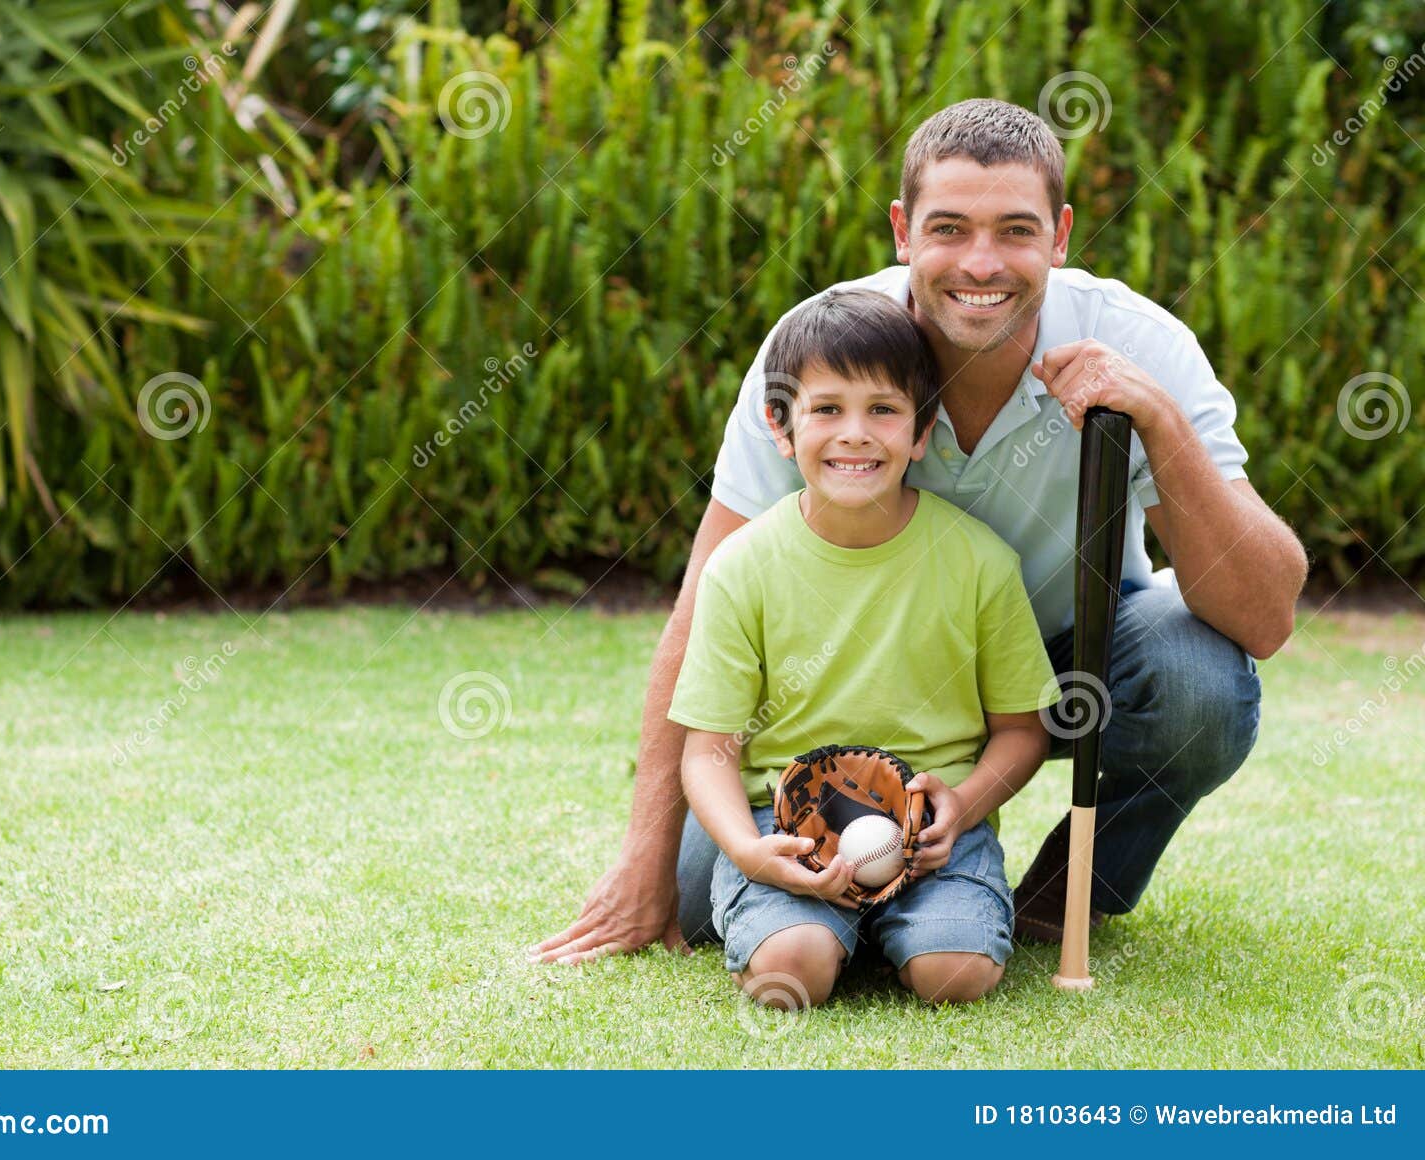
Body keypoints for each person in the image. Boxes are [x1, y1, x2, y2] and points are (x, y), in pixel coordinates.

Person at [529, 98, 1305, 966]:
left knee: (1199, 679)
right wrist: (642, 863)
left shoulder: (1138, 343)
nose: (982, 262)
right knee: (694, 900)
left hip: (1061, 671)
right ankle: (889, 903)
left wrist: (1157, 418)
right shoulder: (819, 350)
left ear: (1060, 235)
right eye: (949, 228)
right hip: (838, 705)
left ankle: (1068, 891)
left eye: (1016, 230)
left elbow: (1265, 617)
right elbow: (702, 604)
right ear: (903, 231)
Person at [670, 288, 1059, 1007]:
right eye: (826, 409)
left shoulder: (979, 562)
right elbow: (706, 751)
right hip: (783, 825)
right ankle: (820, 932)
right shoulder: (741, 567)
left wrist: (964, 805)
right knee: (791, 973)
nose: (855, 434)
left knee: (956, 976)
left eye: (883, 409)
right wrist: (751, 852)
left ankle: (903, 932)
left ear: (922, 430)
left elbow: (1023, 730)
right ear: (780, 427)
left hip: (933, 830)